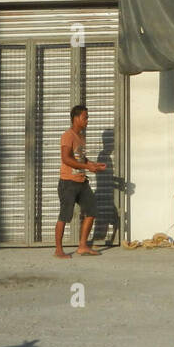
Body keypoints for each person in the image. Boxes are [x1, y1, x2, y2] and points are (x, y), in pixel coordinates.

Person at [53, 105, 107, 258]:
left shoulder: (81, 136)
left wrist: (92, 165)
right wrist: (87, 167)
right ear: (76, 118)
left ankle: (82, 246)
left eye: (87, 117)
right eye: (85, 117)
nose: (87, 120)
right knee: (64, 216)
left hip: (82, 182)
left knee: (92, 211)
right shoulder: (68, 135)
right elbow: (66, 158)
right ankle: (58, 250)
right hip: (68, 182)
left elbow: (80, 158)